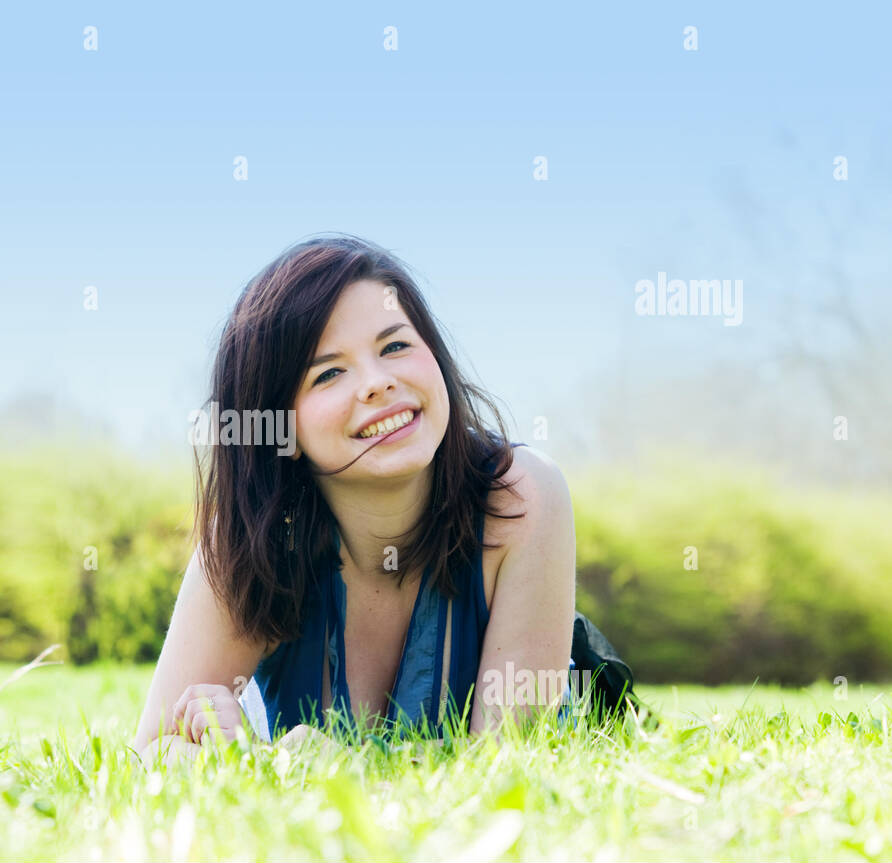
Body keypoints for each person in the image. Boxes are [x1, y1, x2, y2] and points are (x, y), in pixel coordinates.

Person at [134, 234, 637, 769]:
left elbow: (508, 761)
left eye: (395, 347)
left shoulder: (522, 495)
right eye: (329, 373)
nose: (377, 383)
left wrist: (349, 766)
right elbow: (150, 753)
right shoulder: (252, 539)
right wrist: (243, 760)